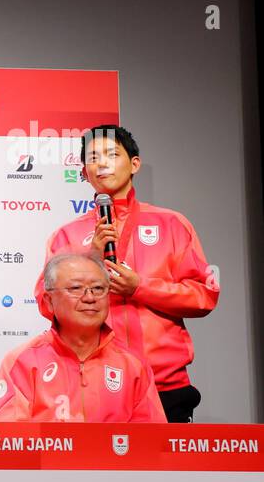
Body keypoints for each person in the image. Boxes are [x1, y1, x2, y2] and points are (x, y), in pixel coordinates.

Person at [37, 125, 217, 421]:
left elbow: (205, 295)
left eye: (111, 154)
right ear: (83, 171)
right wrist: (89, 259)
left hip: (165, 386)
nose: (103, 163)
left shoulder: (172, 224)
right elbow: (46, 302)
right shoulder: (66, 236)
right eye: (94, 157)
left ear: (134, 164)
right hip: (91, 384)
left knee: (165, 468)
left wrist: (139, 287)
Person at [0, 252, 165, 422]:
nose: (89, 297)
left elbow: (151, 443)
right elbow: (5, 442)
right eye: (76, 288)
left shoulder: (133, 365)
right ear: (49, 300)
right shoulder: (22, 362)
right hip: (44, 456)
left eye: (98, 288)